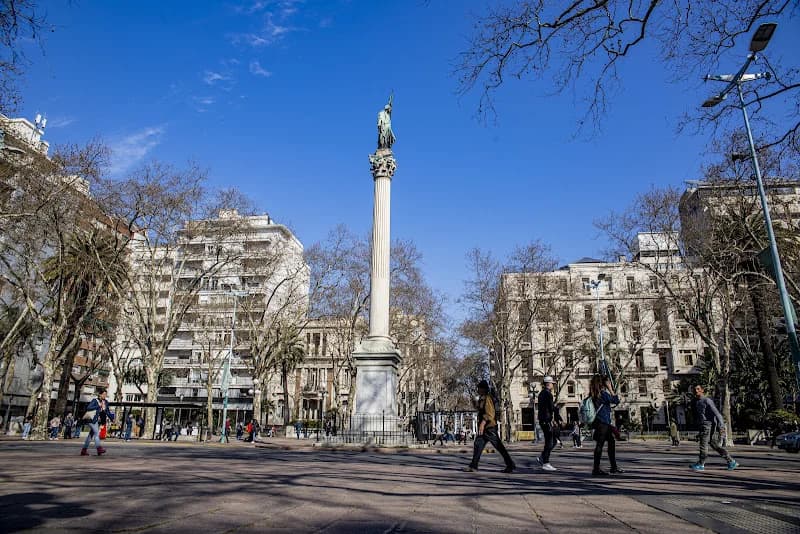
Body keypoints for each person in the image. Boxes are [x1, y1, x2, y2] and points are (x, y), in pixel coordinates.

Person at [464, 380, 515, 473]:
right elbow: (479, 409)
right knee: (478, 445)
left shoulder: (488, 398)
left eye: (479, 388)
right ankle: (473, 466)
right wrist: (474, 402)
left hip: (489, 428)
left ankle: (510, 464)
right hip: (485, 429)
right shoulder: (482, 398)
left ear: (483, 389)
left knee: (499, 447)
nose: (477, 390)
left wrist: (482, 424)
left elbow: (490, 414)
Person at [690, 385, 738, 472]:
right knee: (714, 445)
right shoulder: (695, 401)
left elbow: (717, 414)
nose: (696, 391)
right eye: (694, 389)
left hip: (708, 425)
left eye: (698, 389)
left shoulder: (707, 401)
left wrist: (722, 426)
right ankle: (731, 461)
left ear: (702, 390)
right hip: (703, 425)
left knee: (703, 444)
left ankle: (701, 464)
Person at [590, 374, 624, 476]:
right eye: (607, 382)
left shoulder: (593, 394)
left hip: (599, 422)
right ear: (602, 383)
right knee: (600, 445)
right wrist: (610, 388)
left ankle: (613, 467)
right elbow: (616, 401)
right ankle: (596, 469)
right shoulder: (603, 394)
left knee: (610, 442)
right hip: (604, 422)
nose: (608, 383)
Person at [536, 376, 563, 471]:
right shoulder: (548, 394)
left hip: (544, 419)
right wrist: (557, 415)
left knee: (553, 440)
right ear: (548, 384)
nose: (553, 385)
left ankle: (542, 457)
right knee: (550, 441)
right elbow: (551, 407)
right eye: (552, 383)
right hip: (546, 420)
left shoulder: (541, 393)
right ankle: (545, 462)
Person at [80, 387, 114, 456]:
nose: (104, 396)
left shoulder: (105, 402)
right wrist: (98, 406)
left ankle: (84, 450)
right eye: (103, 394)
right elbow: (88, 408)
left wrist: (112, 419)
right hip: (92, 420)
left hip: (99, 420)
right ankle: (99, 448)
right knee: (96, 433)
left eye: (105, 394)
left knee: (90, 435)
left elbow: (107, 411)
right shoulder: (95, 400)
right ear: (100, 394)